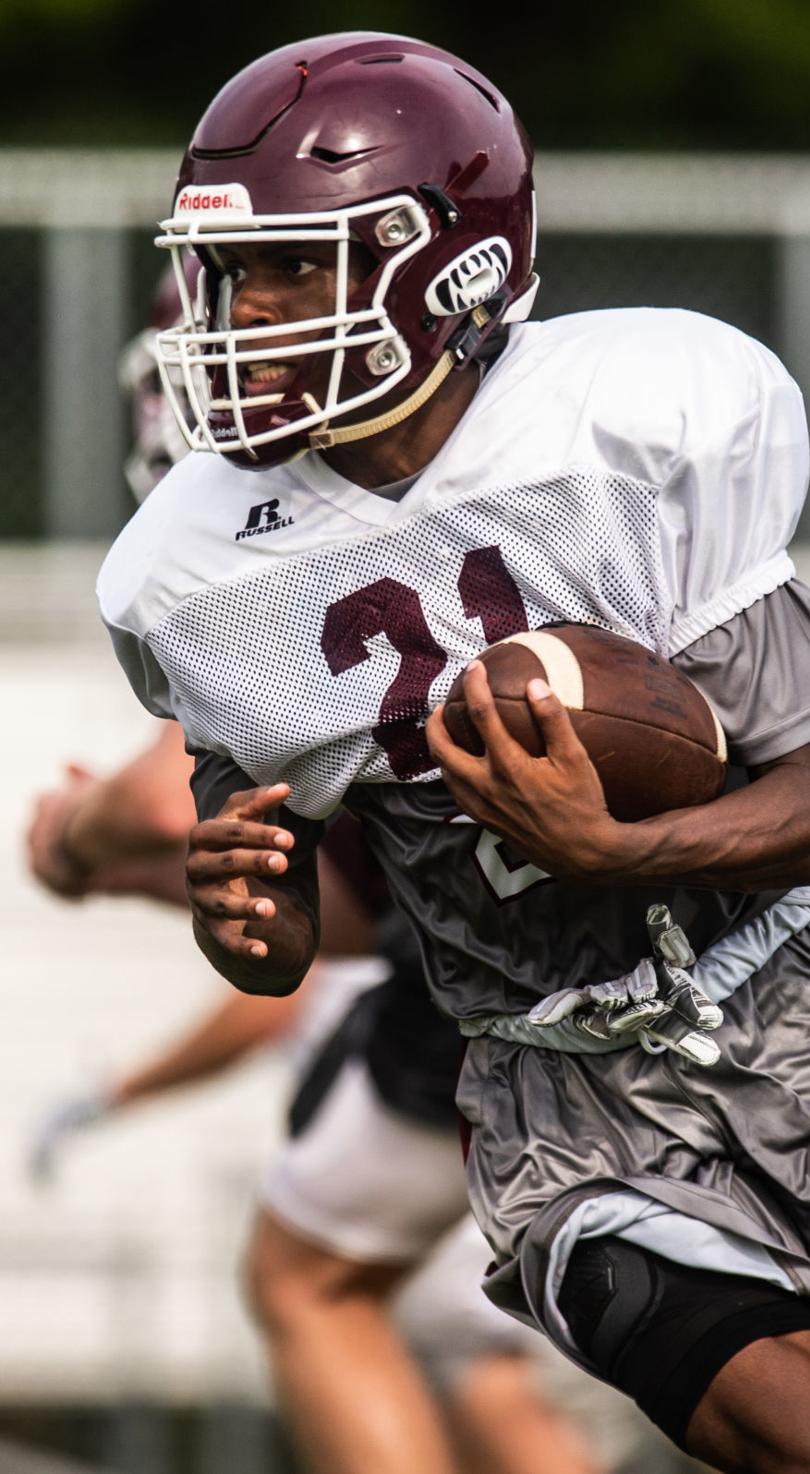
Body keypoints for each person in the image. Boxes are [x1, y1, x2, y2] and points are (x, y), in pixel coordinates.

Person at [95, 31, 810, 1474]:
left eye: (300, 265)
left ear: (454, 268)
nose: (249, 311)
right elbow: (277, 936)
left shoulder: (625, 433)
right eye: (237, 271)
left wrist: (618, 850)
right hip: (560, 1099)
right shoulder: (196, 572)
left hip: (809, 1012)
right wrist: (248, 915)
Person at [28, 280, 654, 1474]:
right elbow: (356, 904)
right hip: (618, 955)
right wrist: (136, 884)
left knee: (305, 1279)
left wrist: (71, 837)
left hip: (510, 993)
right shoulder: (539, 464)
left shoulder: (299, 543)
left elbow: (172, 790)